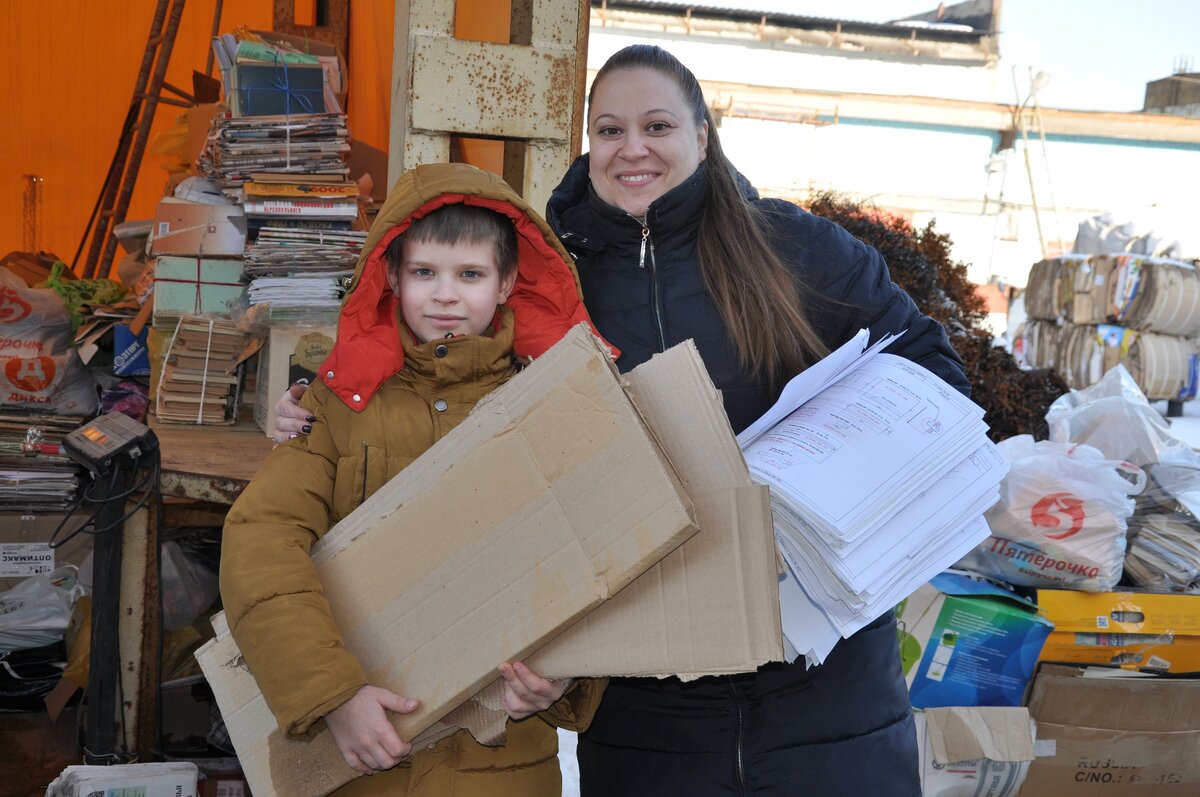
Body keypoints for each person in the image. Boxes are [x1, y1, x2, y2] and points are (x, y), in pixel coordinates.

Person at [277, 45, 970, 796]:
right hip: (648, 705)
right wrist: (322, 399)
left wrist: (833, 482)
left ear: (703, 137)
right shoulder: (551, 281)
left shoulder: (794, 249)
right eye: (609, 130)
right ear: (589, 147)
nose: (632, 148)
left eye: (657, 125)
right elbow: (434, 371)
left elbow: (930, 369)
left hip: (826, 691)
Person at [222, 162, 607, 797]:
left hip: (503, 763)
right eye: (424, 272)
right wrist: (331, 696)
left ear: (509, 282)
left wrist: (568, 677)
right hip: (364, 755)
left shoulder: (554, 404)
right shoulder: (339, 403)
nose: (445, 296)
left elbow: (607, 550)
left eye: (471, 275)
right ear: (392, 276)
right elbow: (261, 539)